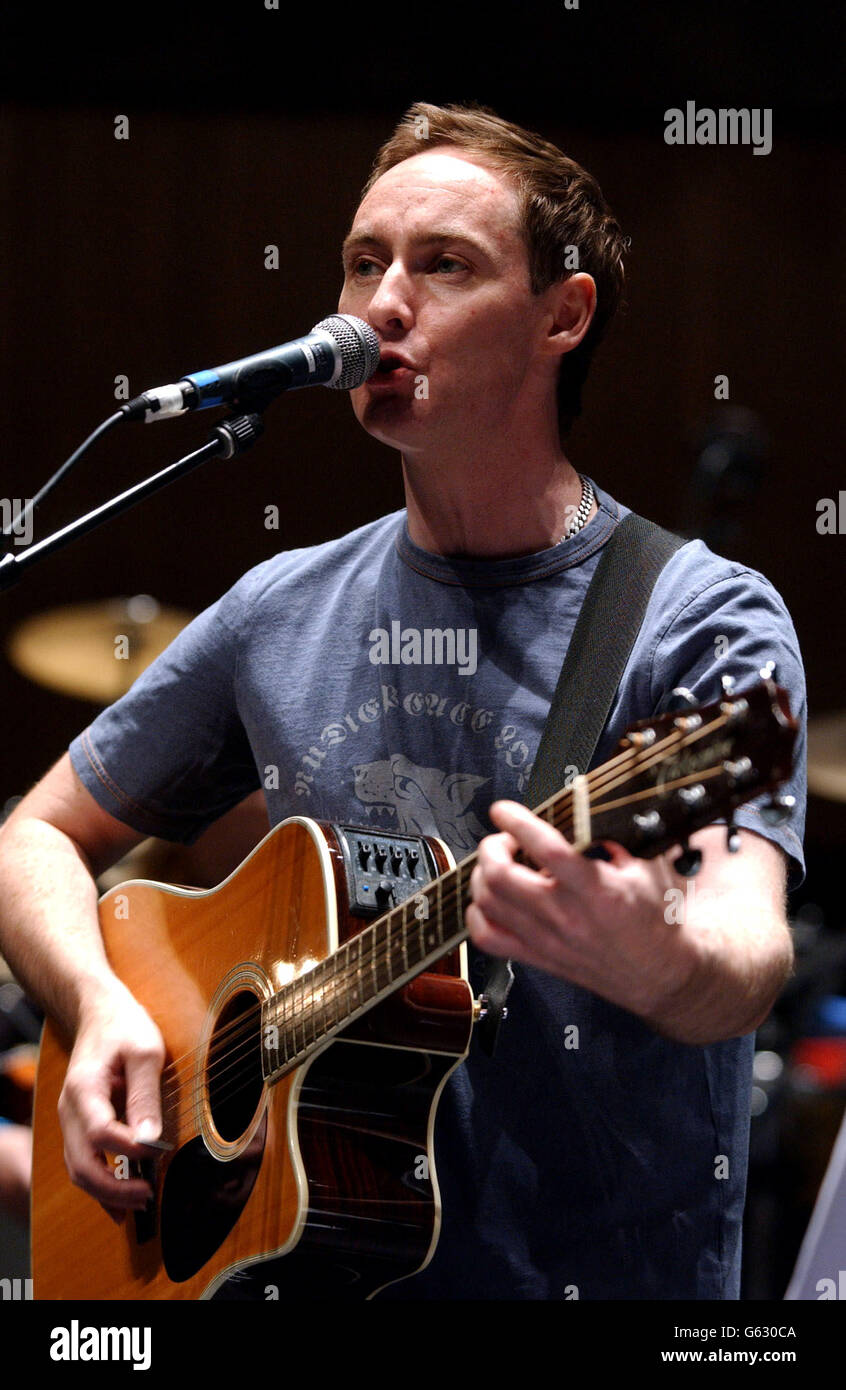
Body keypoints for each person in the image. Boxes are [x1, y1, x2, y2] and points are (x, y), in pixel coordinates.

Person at [0, 102, 806, 1299]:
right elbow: (34, 835)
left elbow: (748, 948)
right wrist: (98, 1004)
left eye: (444, 265)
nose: (379, 303)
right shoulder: (280, 607)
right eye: (364, 261)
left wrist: (655, 951)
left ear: (562, 317)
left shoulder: (698, 616)